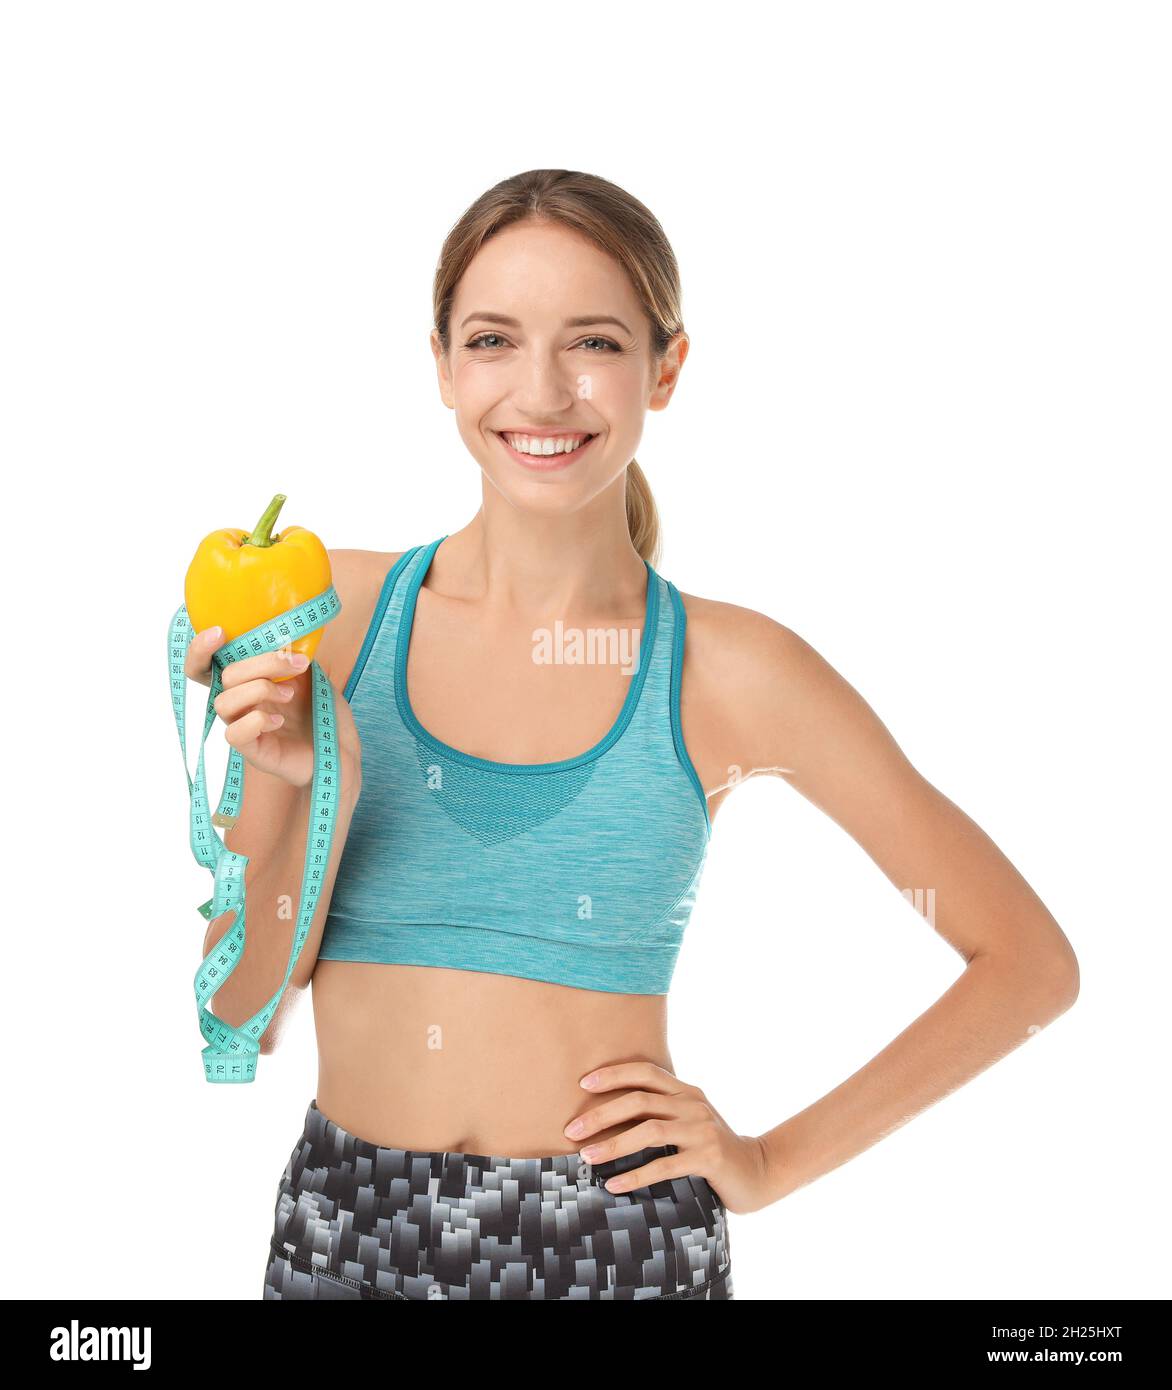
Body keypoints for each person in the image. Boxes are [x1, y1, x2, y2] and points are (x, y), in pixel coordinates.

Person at [184, 168, 1079, 1301]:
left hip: (611, 1246)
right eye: (495, 339)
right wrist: (309, 789)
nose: (542, 391)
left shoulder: (728, 671)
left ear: (666, 367)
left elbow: (1026, 964)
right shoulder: (330, 616)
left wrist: (764, 1163)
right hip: (342, 1229)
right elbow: (236, 1020)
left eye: (594, 343)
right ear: (442, 364)